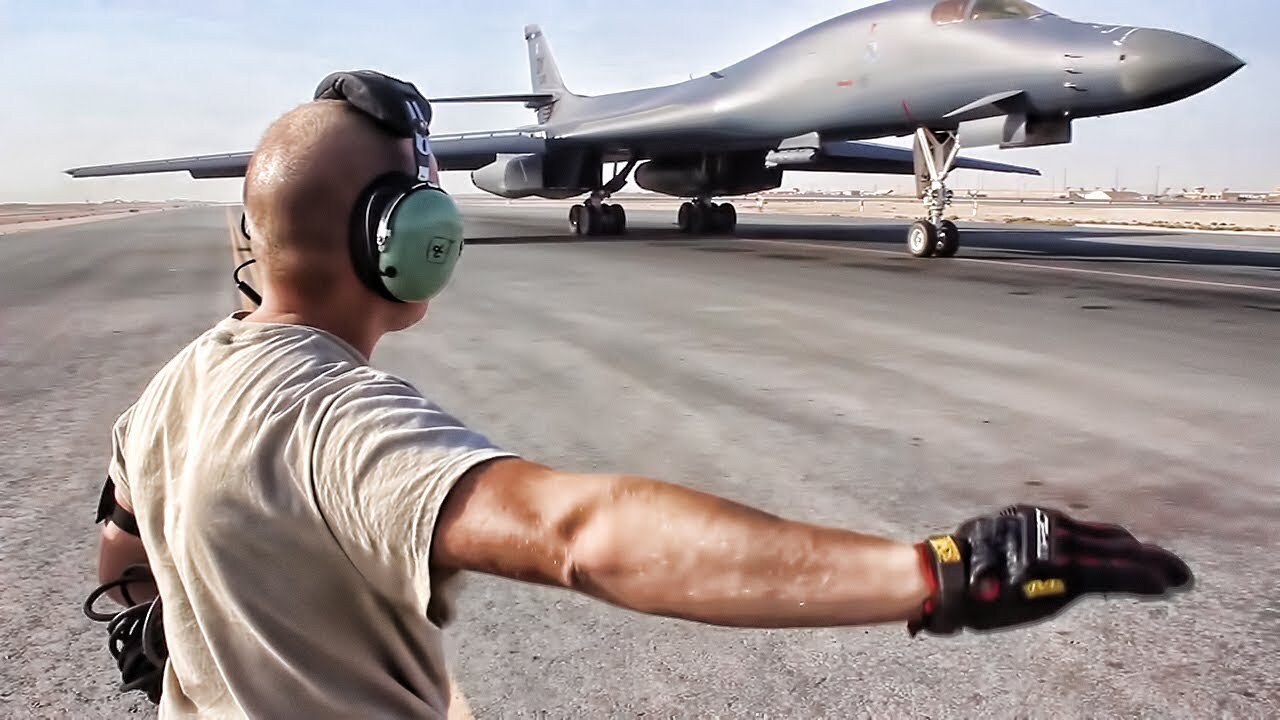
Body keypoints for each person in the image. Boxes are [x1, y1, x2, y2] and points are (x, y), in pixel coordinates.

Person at [93, 71, 1192, 719]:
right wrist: (935, 574)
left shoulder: (177, 386)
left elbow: (120, 543)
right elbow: (581, 534)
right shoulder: (332, 418)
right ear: (400, 240)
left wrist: (183, 634)